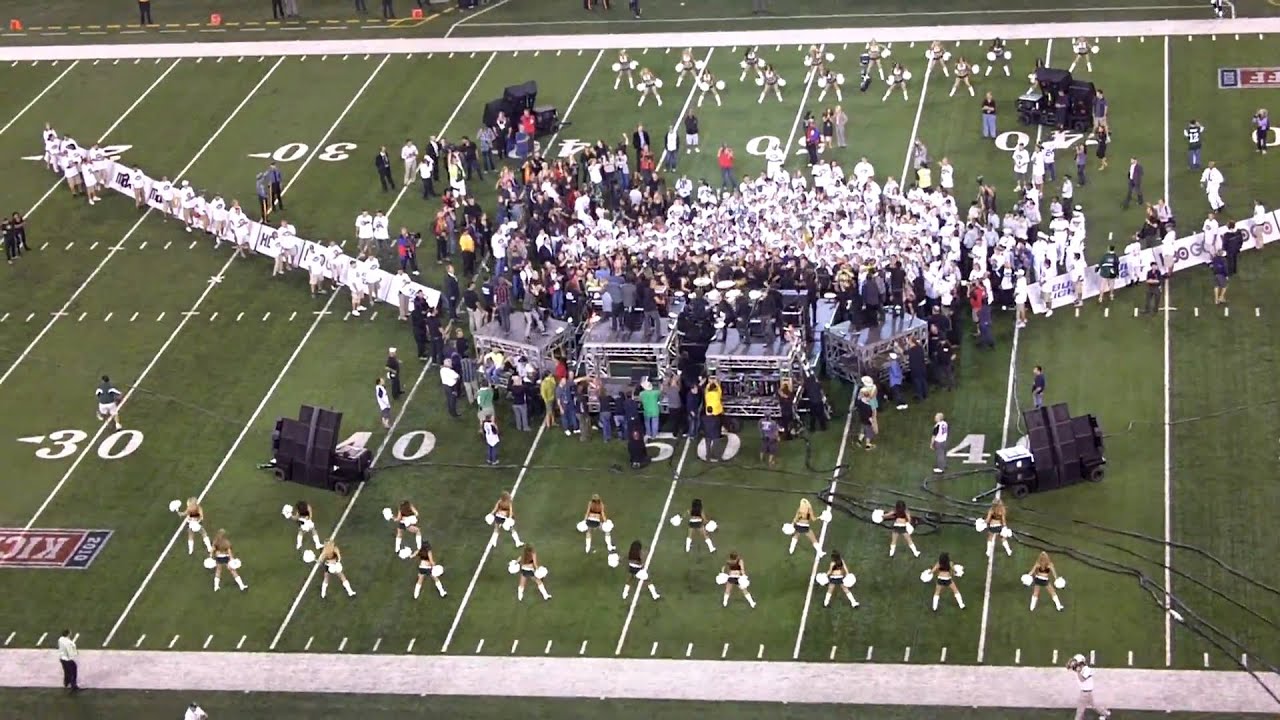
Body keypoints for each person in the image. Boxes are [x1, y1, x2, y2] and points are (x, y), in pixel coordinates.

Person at [1069, 654, 1112, 718]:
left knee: (1080, 710)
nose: (1075, 663)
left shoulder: (1087, 670)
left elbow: (1082, 679)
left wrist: (1077, 671)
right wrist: (1074, 668)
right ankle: (1105, 713)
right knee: (1094, 705)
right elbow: (1071, 668)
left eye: (1076, 662)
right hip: (1087, 692)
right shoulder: (1081, 669)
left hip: (1085, 693)